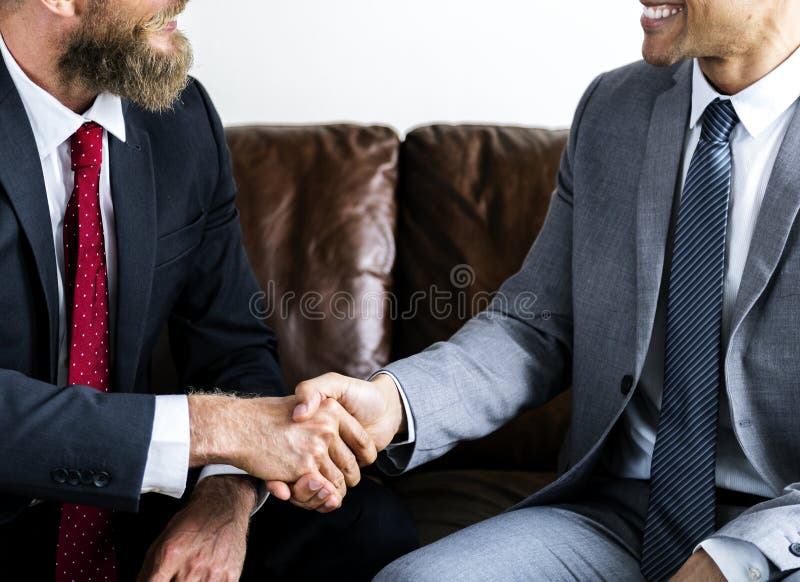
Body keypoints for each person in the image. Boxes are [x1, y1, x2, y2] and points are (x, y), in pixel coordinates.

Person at [286, 1, 800, 580]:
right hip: (622, 513)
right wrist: (395, 404)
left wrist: (739, 558)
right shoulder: (614, 108)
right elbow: (536, 326)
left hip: (781, 525)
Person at [0, 0, 417, 580]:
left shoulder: (180, 118)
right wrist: (218, 429)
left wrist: (224, 499)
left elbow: (234, 347)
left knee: (371, 528)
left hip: (124, 498)